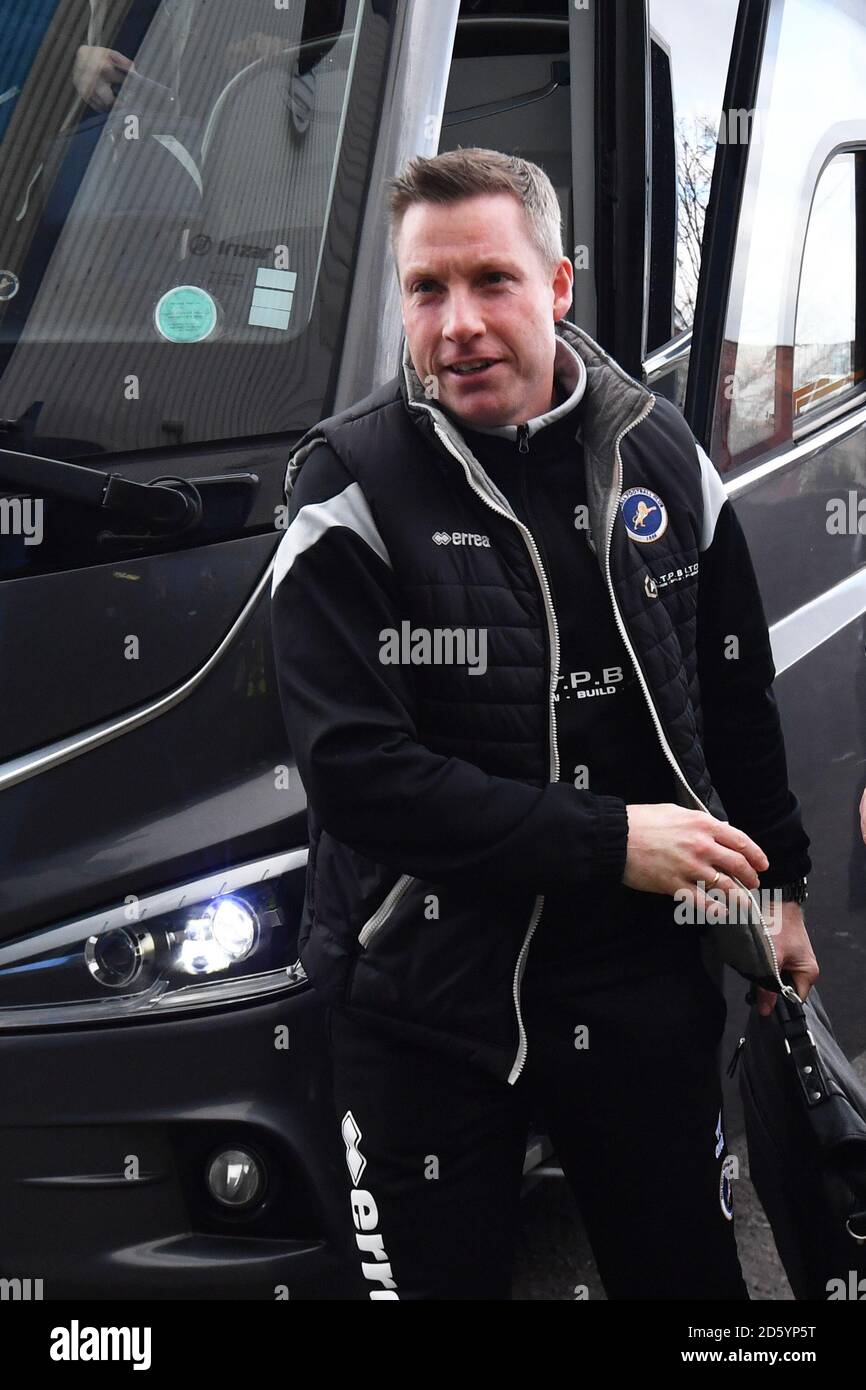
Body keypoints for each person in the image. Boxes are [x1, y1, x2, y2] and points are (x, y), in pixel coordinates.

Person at [270, 148, 819, 1300]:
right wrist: (612, 841)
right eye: (426, 290)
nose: (458, 323)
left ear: (558, 287)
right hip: (424, 1002)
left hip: (637, 990)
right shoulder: (347, 487)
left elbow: (729, 698)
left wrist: (774, 892)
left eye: (491, 282)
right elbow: (356, 774)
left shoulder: (664, 454)